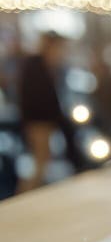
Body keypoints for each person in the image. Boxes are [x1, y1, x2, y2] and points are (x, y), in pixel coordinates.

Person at [17, 31, 83, 192]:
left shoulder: (48, 66)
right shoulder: (34, 66)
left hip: (45, 119)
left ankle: (30, 191)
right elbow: (35, 98)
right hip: (38, 121)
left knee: (44, 158)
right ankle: (24, 195)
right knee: (41, 159)